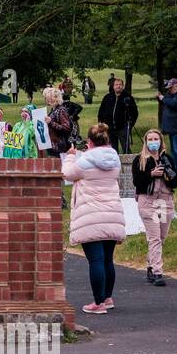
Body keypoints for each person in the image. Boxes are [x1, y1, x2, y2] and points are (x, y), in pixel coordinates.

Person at [63, 123, 125, 315]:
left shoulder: (85, 159)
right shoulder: (114, 158)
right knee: (108, 260)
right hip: (111, 213)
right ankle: (107, 297)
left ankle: (98, 303)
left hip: (90, 215)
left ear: (89, 141)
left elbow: (67, 174)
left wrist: (71, 156)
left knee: (95, 261)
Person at [131, 129, 177, 286]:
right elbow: (137, 182)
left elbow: (175, 183)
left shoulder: (167, 158)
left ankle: (151, 266)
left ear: (161, 141)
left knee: (161, 238)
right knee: (154, 237)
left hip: (164, 202)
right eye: (150, 139)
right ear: (145, 141)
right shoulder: (140, 160)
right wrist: (151, 174)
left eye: (156, 139)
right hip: (148, 202)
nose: (153, 142)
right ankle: (158, 273)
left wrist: (168, 174)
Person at [97, 77, 139, 154]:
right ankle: (114, 164)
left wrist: (130, 124)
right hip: (109, 128)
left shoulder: (128, 97)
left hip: (123, 127)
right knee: (112, 150)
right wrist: (101, 122)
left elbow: (134, 113)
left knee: (126, 149)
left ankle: (128, 165)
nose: (118, 86)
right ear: (113, 86)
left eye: (120, 85)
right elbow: (101, 111)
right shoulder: (107, 97)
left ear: (123, 86)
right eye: (116, 85)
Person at [43, 86, 74, 156]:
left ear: (58, 98)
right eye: (48, 98)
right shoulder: (53, 110)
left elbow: (66, 128)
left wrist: (51, 122)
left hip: (59, 145)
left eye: (52, 98)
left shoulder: (61, 110)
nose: (49, 100)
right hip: (52, 144)